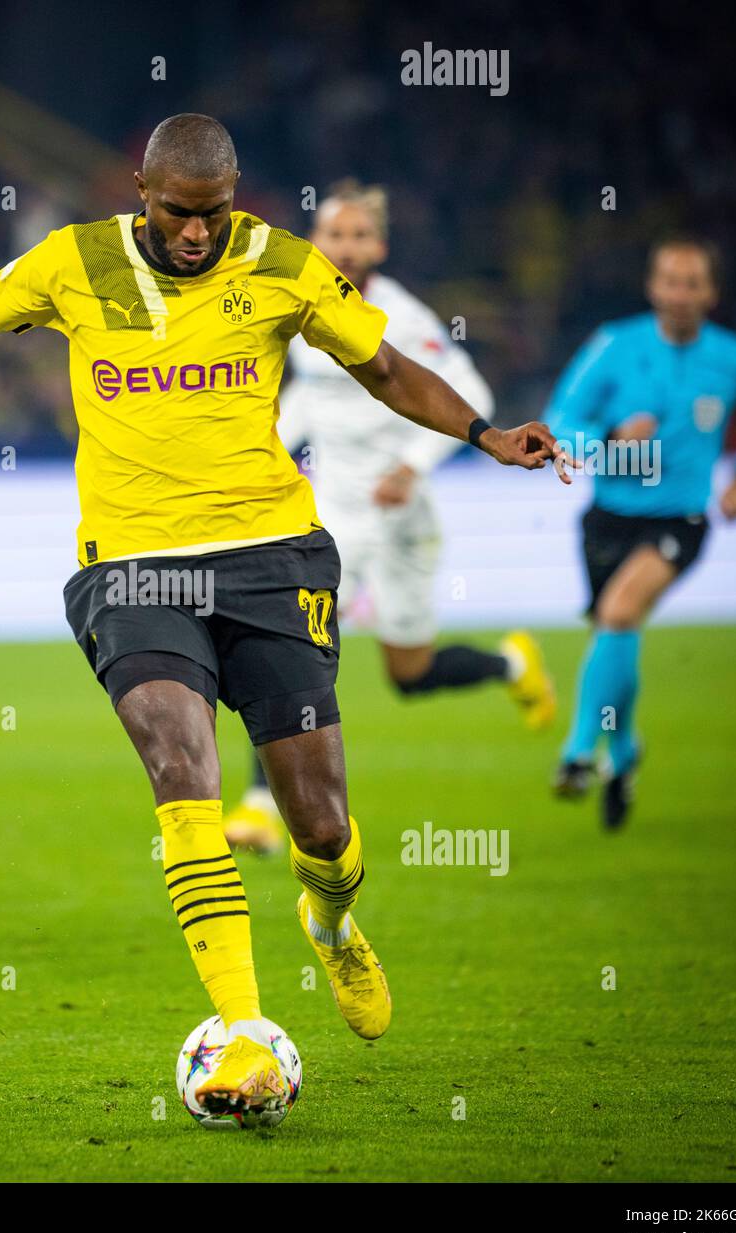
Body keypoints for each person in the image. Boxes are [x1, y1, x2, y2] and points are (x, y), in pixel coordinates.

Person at [0, 115, 571, 1121]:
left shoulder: (284, 266)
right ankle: (242, 1027)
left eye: (213, 216)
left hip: (269, 554)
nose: (196, 236)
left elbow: (381, 367)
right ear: (140, 195)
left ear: (235, 198)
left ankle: (330, 924)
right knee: (180, 767)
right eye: (175, 216)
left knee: (321, 827)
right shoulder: (72, 262)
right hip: (132, 565)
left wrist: (483, 431)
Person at [223, 181, 555, 856]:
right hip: (333, 514)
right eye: (333, 234)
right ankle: (261, 805)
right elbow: (314, 404)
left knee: (410, 675)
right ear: (317, 241)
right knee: (292, 642)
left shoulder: (403, 319)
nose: (344, 247)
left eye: (357, 235)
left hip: (402, 517)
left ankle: (508, 664)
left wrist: (414, 465)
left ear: (380, 244)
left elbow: (474, 392)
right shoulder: (299, 308)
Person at [547, 236, 736, 828]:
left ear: (711, 292)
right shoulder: (614, 345)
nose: (680, 294)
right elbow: (561, 418)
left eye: (692, 283)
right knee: (614, 631)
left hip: (680, 520)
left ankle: (578, 753)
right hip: (608, 518)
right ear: (653, 287)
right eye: (670, 281)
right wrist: (606, 440)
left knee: (621, 611)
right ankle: (624, 750)